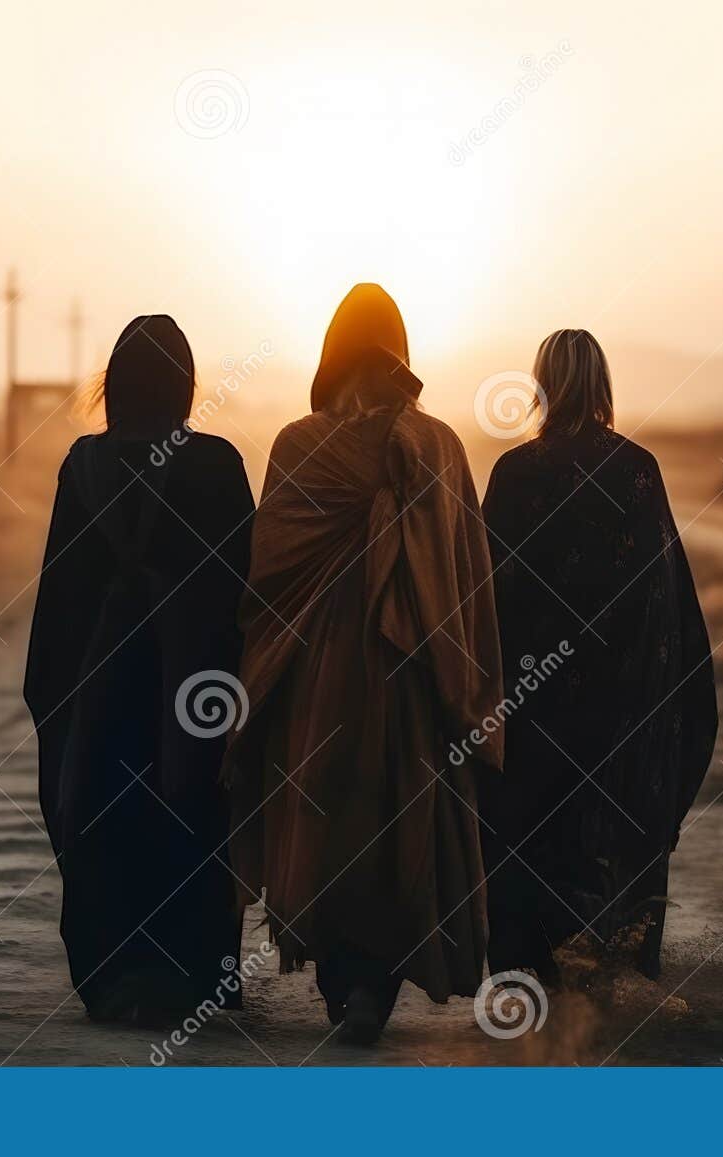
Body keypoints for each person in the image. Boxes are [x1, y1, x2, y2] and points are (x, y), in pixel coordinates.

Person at [224, 284, 504, 1044]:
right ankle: (372, 986)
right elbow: (467, 576)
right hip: (410, 676)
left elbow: (267, 578)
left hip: (316, 673)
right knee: (397, 816)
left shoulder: (296, 445)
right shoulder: (439, 446)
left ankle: (343, 981)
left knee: (324, 812)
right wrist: (469, 681)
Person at [24, 314, 253, 1023]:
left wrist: (59, 700)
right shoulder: (216, 463)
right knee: (191, 811)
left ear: (115, 385)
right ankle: (194, 975)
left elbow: (60, 599)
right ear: (185, 385)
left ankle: (117, 971)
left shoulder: (83, 465)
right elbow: (248, 590)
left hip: (102, 684)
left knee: (105, 812)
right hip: (192, 689)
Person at [479, 329, 716, 982]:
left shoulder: (515, 474)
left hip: (533, 712)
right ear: (603, 384)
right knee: (606, 847)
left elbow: (485, 597)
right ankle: (608, 968)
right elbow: (666, 604)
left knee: (528, 843)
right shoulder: (638, 469)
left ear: (542, 384)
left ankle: (528, 980)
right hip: (618, 716)